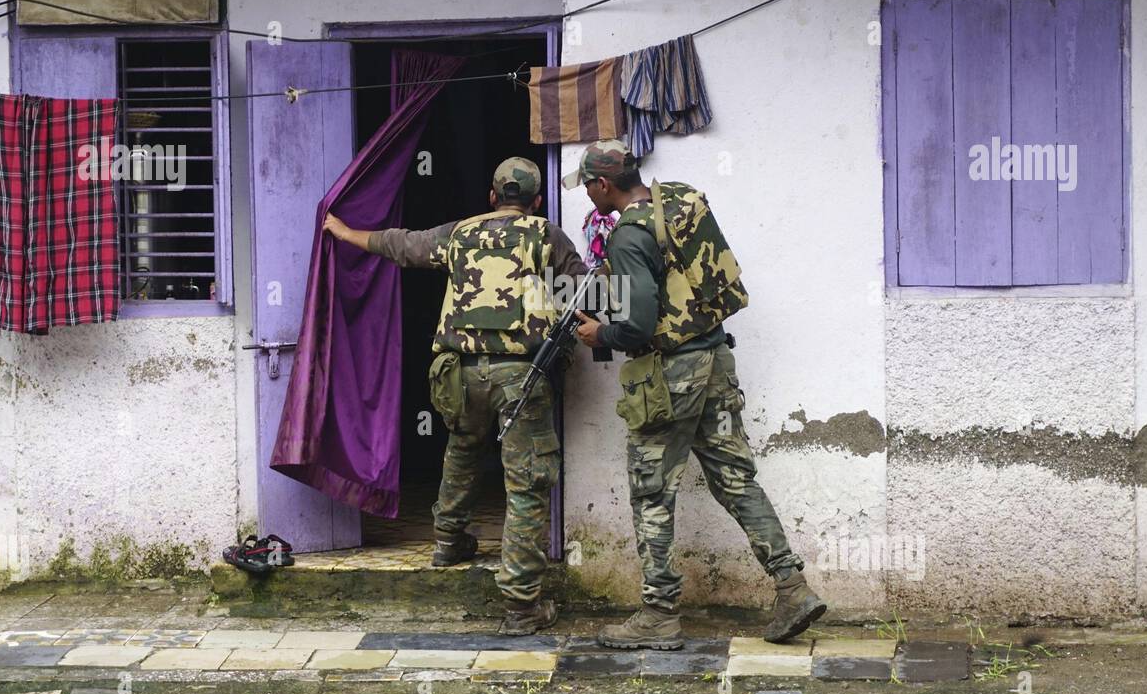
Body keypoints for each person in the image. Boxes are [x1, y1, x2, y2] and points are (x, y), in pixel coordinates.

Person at [567, 140, 827, 649]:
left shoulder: (628, 234)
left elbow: (638, 322)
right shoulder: (679, 201)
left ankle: (659, 614)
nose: (589, 198)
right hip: (717, 364)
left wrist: (602, 334)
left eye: (589, 187)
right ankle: (792, 587)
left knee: (650, 489)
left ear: (603, 185)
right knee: (735, 480)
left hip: (671, 376)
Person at [322, 157, 588, 635]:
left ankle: (448, 542)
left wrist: (344, 233)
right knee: (526, 485)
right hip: (519, 376)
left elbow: (402, 245)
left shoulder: (460, 233)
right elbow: (587, 291)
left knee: (462, 453)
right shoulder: (545, 234)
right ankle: (522, 606)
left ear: (491, 196)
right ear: (536, 200)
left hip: (457, 374)